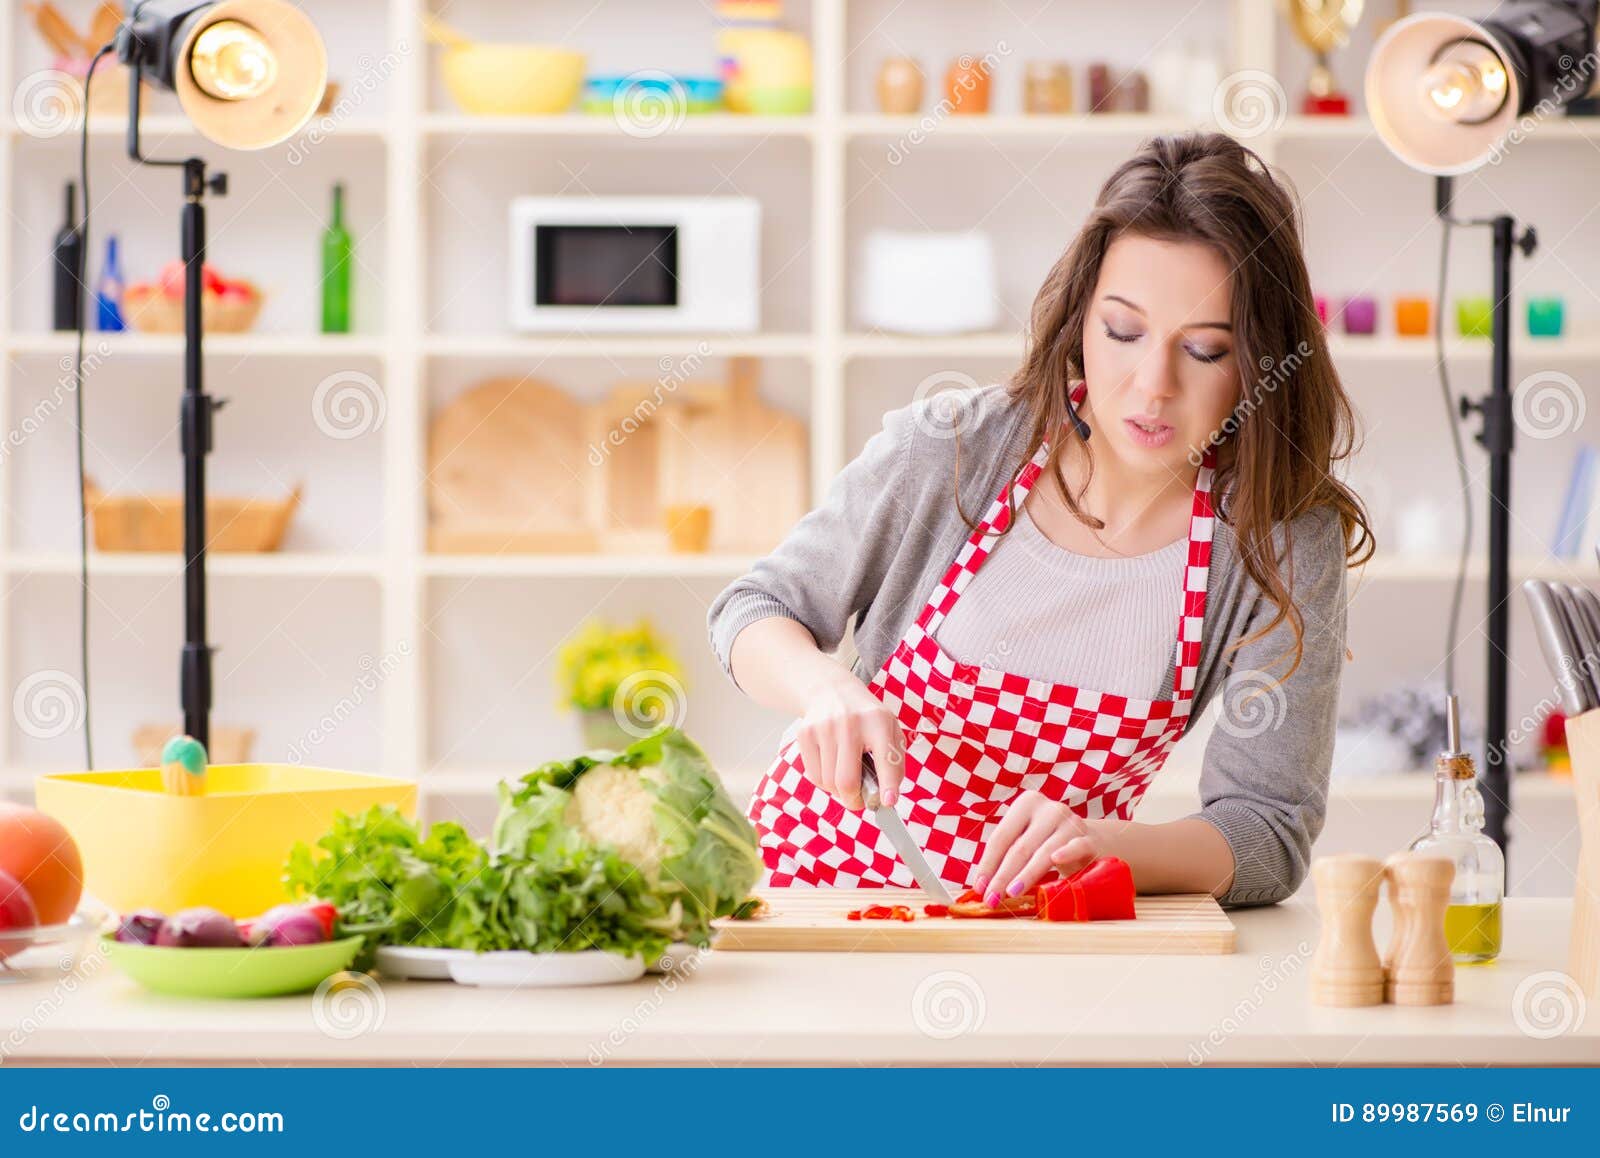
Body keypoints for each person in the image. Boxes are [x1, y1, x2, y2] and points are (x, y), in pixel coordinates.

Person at [707, 131, 1372, 909]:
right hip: (809, 896)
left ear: (1261, 362)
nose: (1151, 385)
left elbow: (1269, 829)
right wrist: (823, 686)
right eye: (1123, 332)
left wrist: (1115, 846)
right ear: (1080, 322)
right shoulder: (952, 450)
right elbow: (752, 611)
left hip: (1046, 929)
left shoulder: (1282, 540)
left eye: (1203, 351)